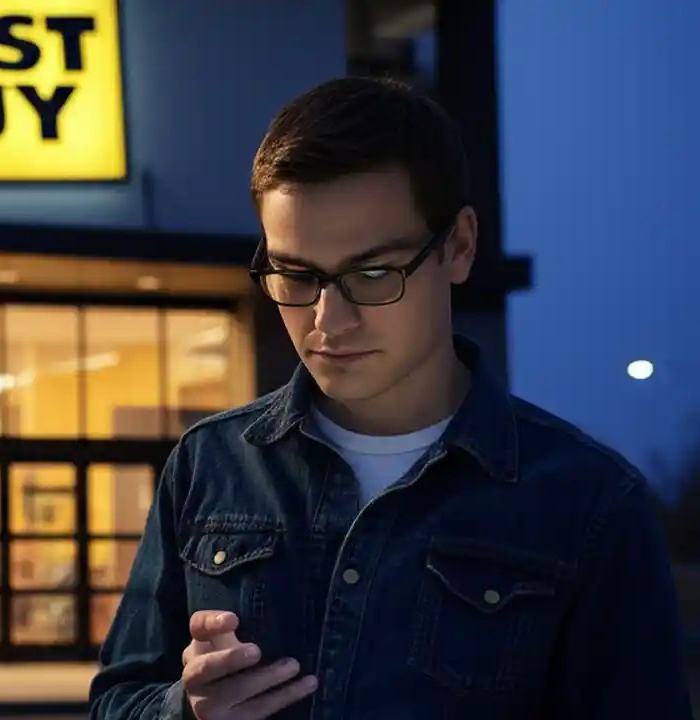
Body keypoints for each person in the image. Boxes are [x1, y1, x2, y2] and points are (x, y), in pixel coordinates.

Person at [89, 76, 695, 719]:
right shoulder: (209, 464)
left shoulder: (589, 503)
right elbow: (116, 702)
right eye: (296, 276)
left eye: (372, 274)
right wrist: (184, 709)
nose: (328, 320)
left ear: (459, 246)